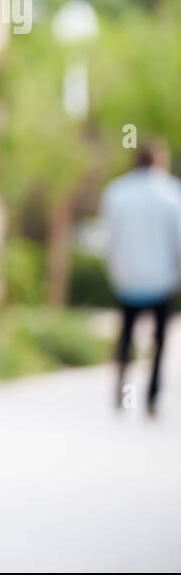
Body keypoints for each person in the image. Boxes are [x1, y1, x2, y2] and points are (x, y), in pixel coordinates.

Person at [99, 138, 181, 417]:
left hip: (128, 278)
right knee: (159, 341)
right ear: (159, 161)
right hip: (161, 279)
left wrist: (115, 269)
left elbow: (108, 238)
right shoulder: (171, 192)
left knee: (126, 335)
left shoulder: (117, 192)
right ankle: (151, 398)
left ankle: (122, 384)